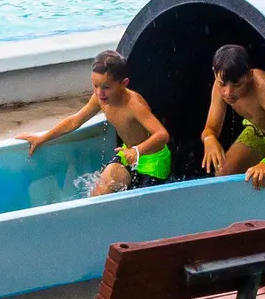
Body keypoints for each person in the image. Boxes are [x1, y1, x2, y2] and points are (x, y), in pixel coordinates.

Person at [21, 50, 171, 196]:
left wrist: (137, 150)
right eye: (95, 85)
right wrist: (42, 138)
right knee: (101, 188)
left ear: (123, 84)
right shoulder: (100, 99)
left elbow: (162, 134)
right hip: (128, 152)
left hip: (153, 160)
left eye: (106, 87)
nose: (99, 92)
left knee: (140, 206)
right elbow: (75, 121)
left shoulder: (134, 105)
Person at [201, 44, 265, 188]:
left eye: (236, 85)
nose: (228, 93)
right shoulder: (220, 86)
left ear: (248, 76)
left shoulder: (262, 86)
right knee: (223, 173)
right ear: (215, 73)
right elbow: (211, 128)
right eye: (222, 84)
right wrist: (209, 138)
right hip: (259, 130)